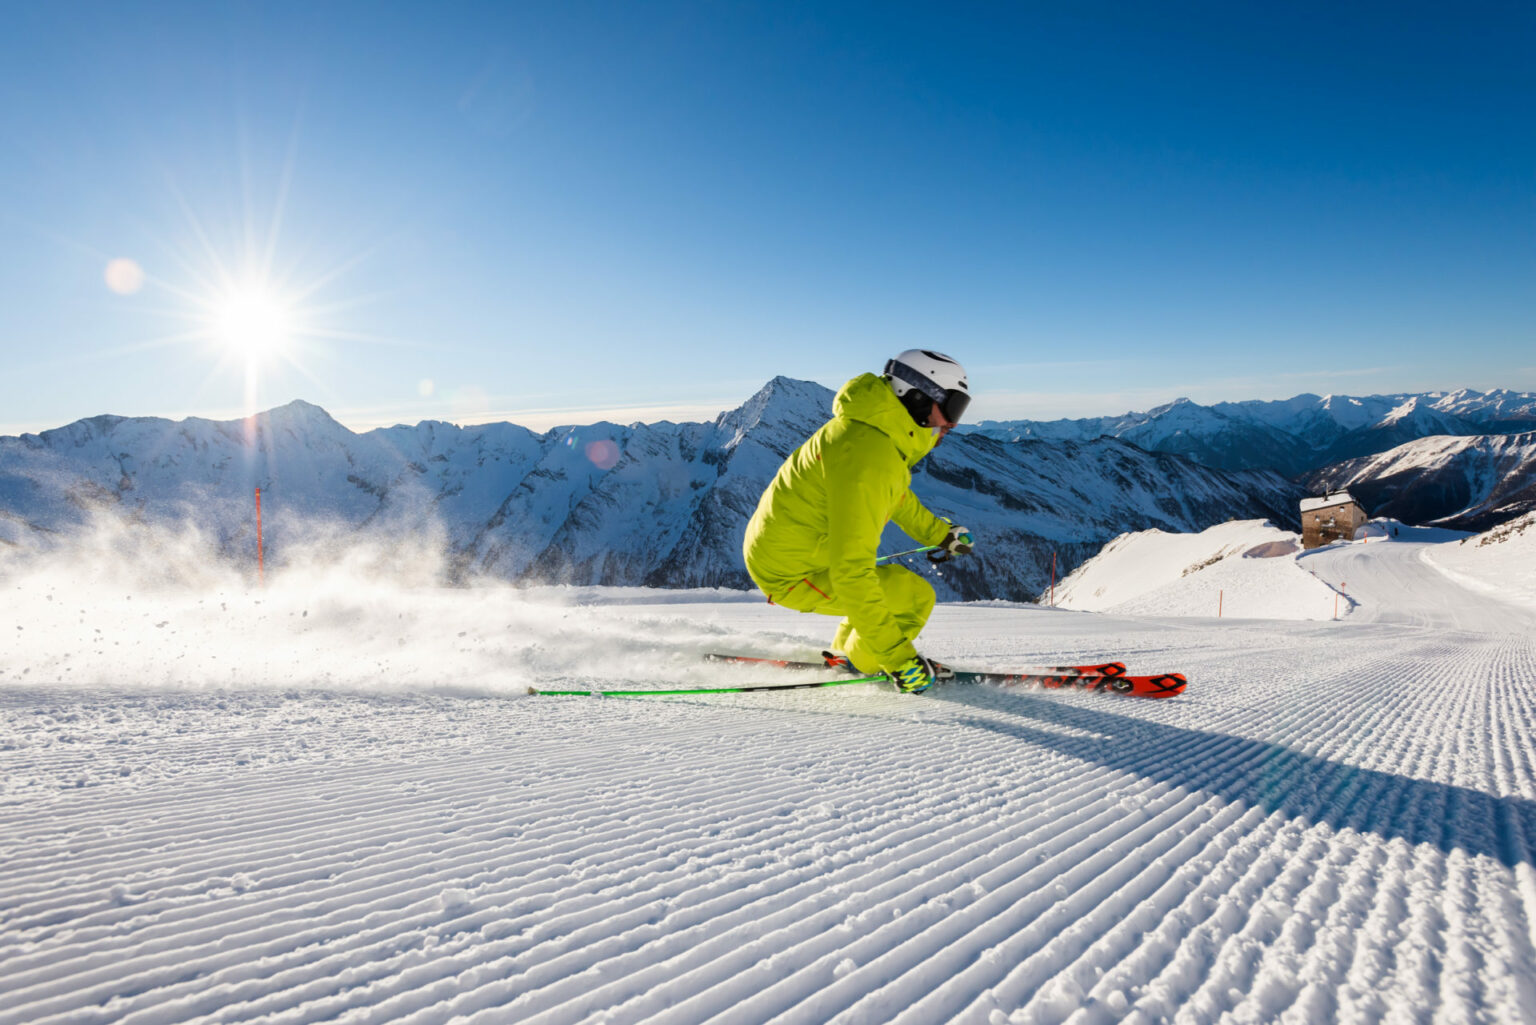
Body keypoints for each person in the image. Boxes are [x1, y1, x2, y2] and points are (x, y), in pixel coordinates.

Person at [742, 350, 975, 694]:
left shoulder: (872, 434)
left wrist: (941, 533)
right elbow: (851, 572)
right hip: (792, 571)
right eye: (953, 407)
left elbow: (896, 496)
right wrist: (899, 659)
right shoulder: (870, 456)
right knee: (913, 597)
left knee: (893, 586)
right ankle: (864, 661)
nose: (953, 424)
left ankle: (848, 653)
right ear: (916, 398)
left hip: (794, 550)